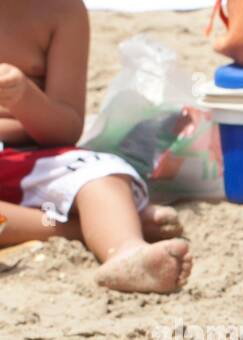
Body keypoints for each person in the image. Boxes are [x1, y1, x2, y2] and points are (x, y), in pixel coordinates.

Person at [0, 0, 191, 292]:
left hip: (33, 155)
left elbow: (65, 129)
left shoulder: (60, 11)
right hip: (25, 209)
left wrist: (24, 96)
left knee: (103, 172)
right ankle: (86, 228)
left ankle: (125, 250)